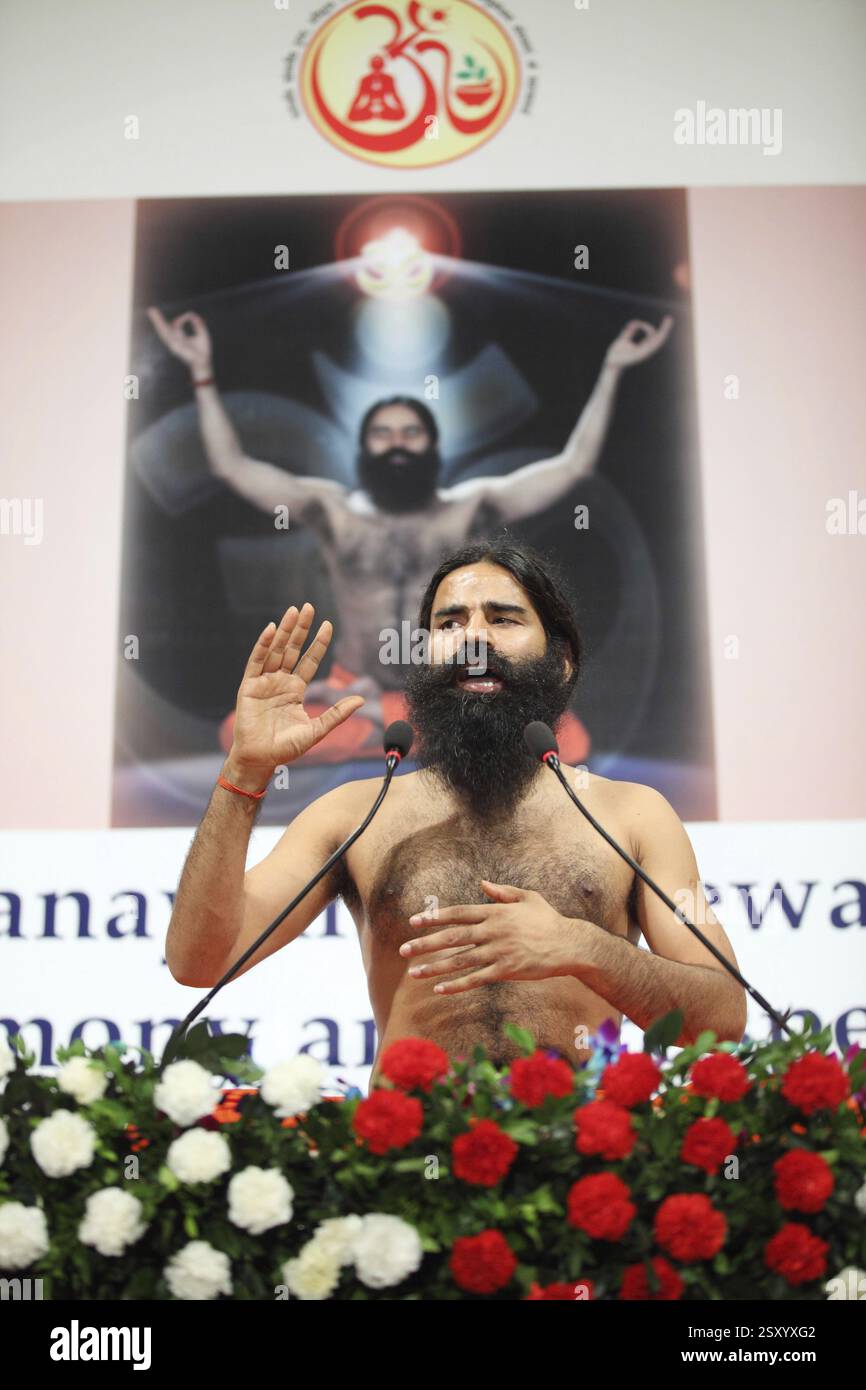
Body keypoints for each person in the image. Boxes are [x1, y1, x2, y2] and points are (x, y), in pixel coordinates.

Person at [165, 538, 746, 1083]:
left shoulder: (632, 816)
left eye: (503, 618)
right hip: (407, 1166)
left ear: (562, 661)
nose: (474, 638)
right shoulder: (352, 815)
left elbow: (722, 1017)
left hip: (585, 1156)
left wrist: (583, 948)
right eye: (450, 623)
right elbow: (199, 961)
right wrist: (244, 773)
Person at [147, 305, 672, 763]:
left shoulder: (471, 507)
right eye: (383, 434)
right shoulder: (330, 508)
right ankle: (401, 725)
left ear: (431, 446)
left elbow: (574, 464)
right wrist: (200, 372)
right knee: (242, 730)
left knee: (567, 739)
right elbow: (231, 466)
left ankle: (393, 723)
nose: (397, 443)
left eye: (411, 433)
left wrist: (611, 367)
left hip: (450, 685)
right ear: (365, 448)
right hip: (353, 689)